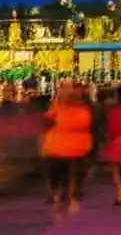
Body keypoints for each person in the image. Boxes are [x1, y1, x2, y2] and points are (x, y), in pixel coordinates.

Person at [44, 82, 93, 214]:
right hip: (75, 150)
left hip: (58, 149)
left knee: (61, 176)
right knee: (72, 176)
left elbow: (47, 123)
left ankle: (59, 197)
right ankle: (70, 199)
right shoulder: (83, 111)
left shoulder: (57, 110)